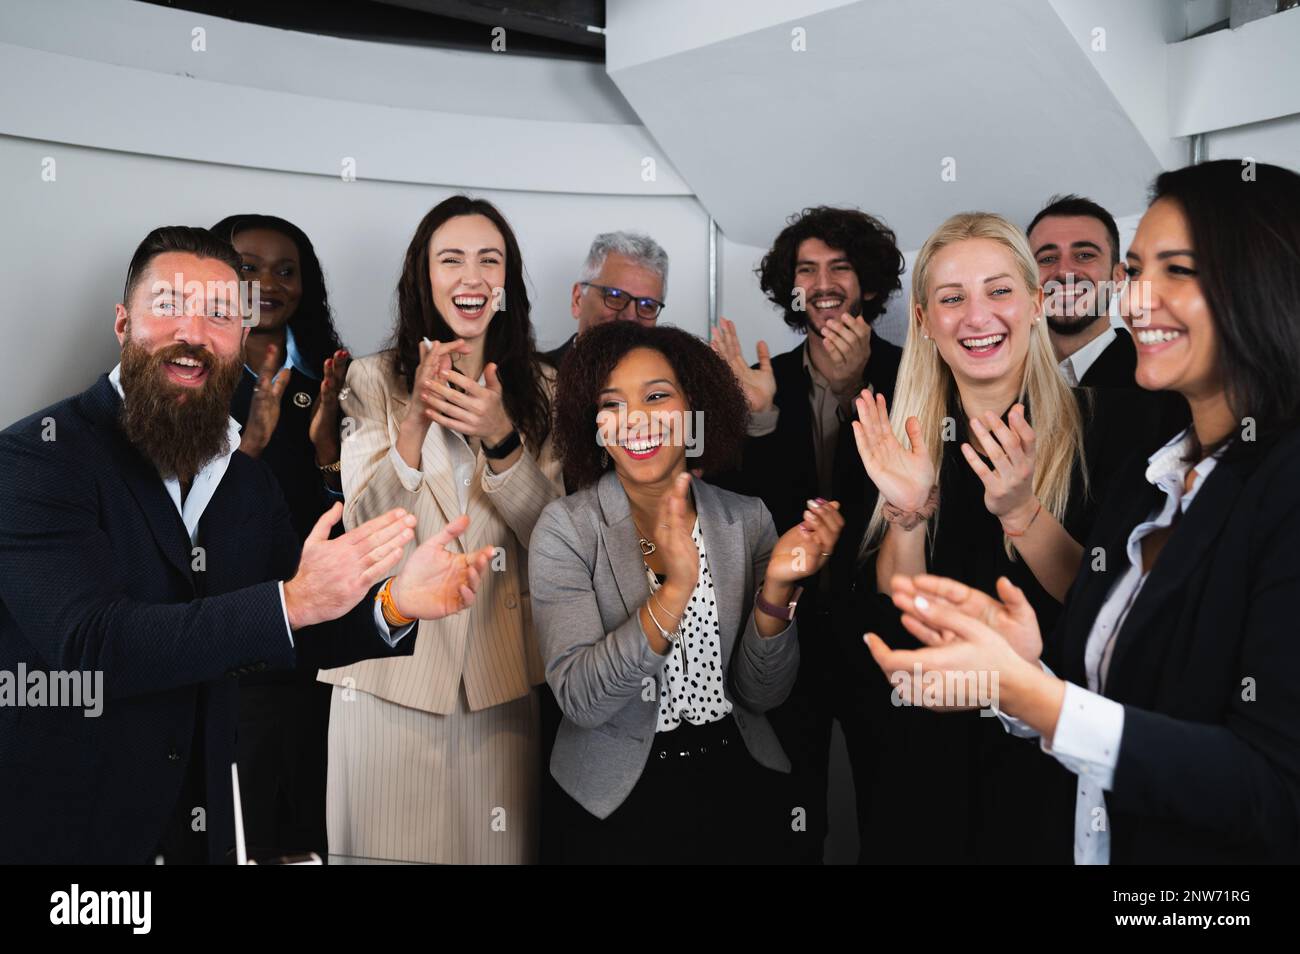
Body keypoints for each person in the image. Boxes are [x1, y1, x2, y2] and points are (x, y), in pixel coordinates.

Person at [0, 226, 493, 864]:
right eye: (170, 306)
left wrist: (394, 602)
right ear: (124, 323)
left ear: (239, 339)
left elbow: (295, 625)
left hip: (198, 829)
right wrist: (289, 603)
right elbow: (91, 646)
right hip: (64, 834)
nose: (193, 333)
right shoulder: (37, 458)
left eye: (219, 314)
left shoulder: (244, 479)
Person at [865, 160, 1300, 864]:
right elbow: (1108, 676)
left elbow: (1270, 787)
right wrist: (1024, 674)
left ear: (1262, 283)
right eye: (1133, 272)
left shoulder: (1187, 453)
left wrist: (1025, 686)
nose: (1132, 301)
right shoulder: (1161, 473)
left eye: (1177, 270)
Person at [848, 211, 1179, 864]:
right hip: (923, 761)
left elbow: (1119, 608)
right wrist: (907, 516)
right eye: (952, 298)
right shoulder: (895, 436)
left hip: (1049, 763)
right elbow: (896, 610)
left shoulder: (1120, 425)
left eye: (999, 291)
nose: (978, 317)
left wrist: (1022, 512)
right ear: (923, 320)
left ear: (1033, 305)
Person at [530, 321, 844, 863]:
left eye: (656, 396)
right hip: (614, 801)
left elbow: (761, 693)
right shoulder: (565, 529)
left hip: (737, 781)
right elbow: (581, 699)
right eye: (612, 404)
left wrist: (777, 590)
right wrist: (675, 591)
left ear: (693, 406)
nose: (636, 420)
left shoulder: (746, 520)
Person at [319, 195, 562, 864]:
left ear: (507, 281)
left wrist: (501, 438)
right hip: (384, 680)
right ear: (423, 278)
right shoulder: (368, 380)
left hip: (500, 678)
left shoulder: (543, 389)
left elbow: (556, 539)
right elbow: (364, 527)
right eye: (450, 259)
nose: (472, 277)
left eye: (491, 260)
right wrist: (415, 425)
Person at [709, 205, 904, 862]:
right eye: (806, 269)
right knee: (787, 819)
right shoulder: (766, 381)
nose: (821, 283)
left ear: (870, 286)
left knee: (898, 813)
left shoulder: (916, 382)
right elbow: (741, 517)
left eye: (839, 268)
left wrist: (854, 396)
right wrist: (757, 424)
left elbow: (895, 511)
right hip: (783, 637)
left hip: (886, 635)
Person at [209, 213, 350, 861]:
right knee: (242, 829)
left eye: (285, 270)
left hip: (326, 647)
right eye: (246, 267)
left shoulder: (334, 372)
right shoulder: (187, 371)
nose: (267, 283)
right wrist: (254, 443)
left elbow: (355, 511)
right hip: (234, 636)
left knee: (316, 831)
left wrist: (327, 455)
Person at [1026, 194, 1136, 389]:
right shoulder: (1001, 378)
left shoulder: (1167, 388)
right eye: (1047, 259)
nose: (1064, 271)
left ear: (1118, 276)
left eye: (1085, 255)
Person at [538, 231, 668, 370]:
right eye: (615, 296)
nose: (630, 317)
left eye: (647, 305)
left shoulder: (672, 384)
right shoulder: (530, 380)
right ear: (578, 300)